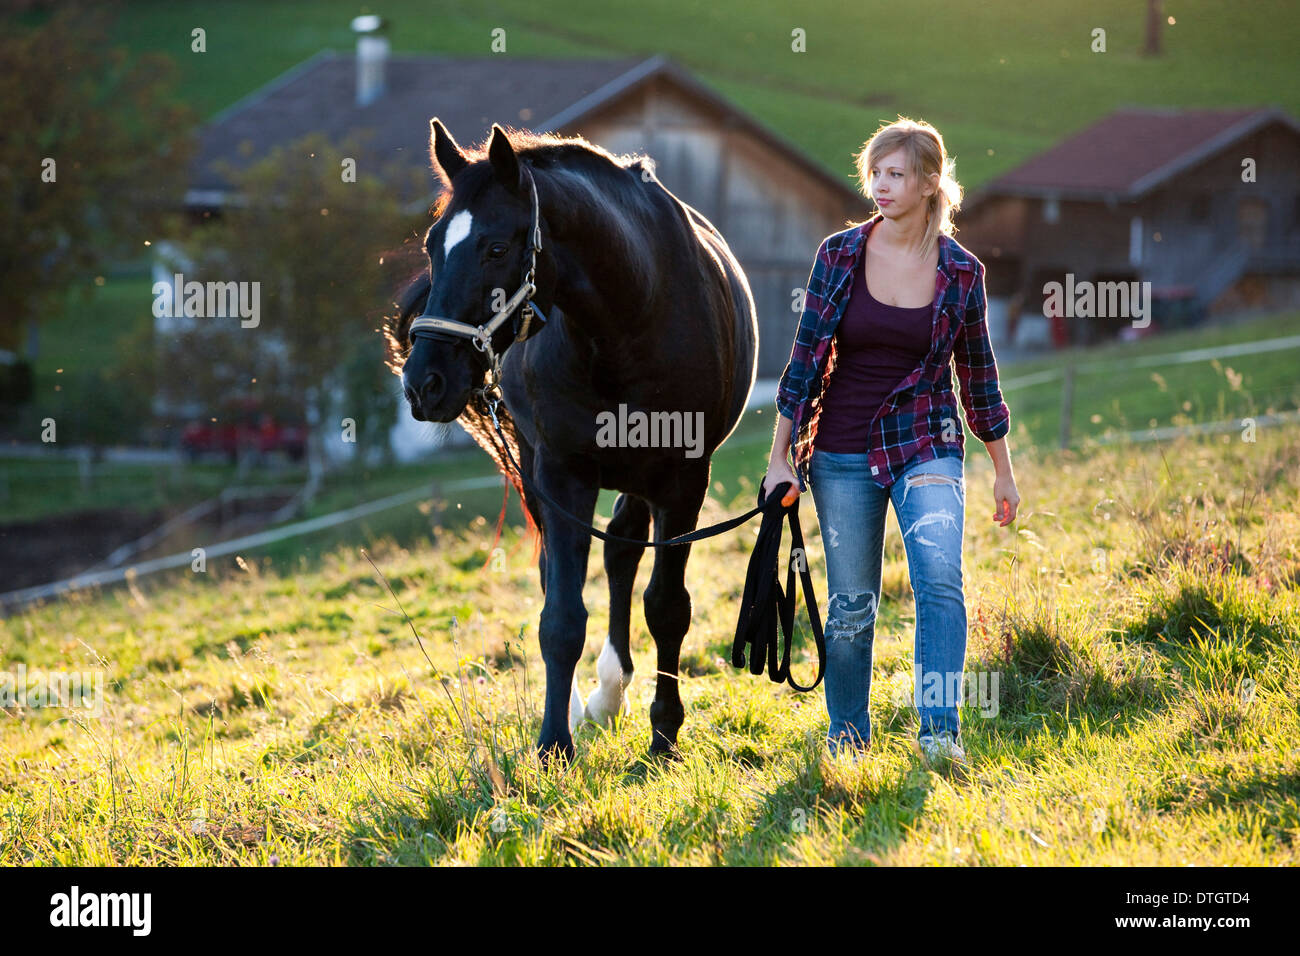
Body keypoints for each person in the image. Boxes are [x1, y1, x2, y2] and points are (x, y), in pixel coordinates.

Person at [763, 117, 1021, 764]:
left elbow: (979, 375)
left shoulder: (962, 273)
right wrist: (779, 459)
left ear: (931, 182)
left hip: (926, 441)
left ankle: (938, 733)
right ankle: (847, 736)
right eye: (874, 172)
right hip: (841, 452)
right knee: (852, 605)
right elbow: (803, 359)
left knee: (940, 582)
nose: (880, 184)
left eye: (895, 174)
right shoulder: (839, 254)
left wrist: (1003, 470)